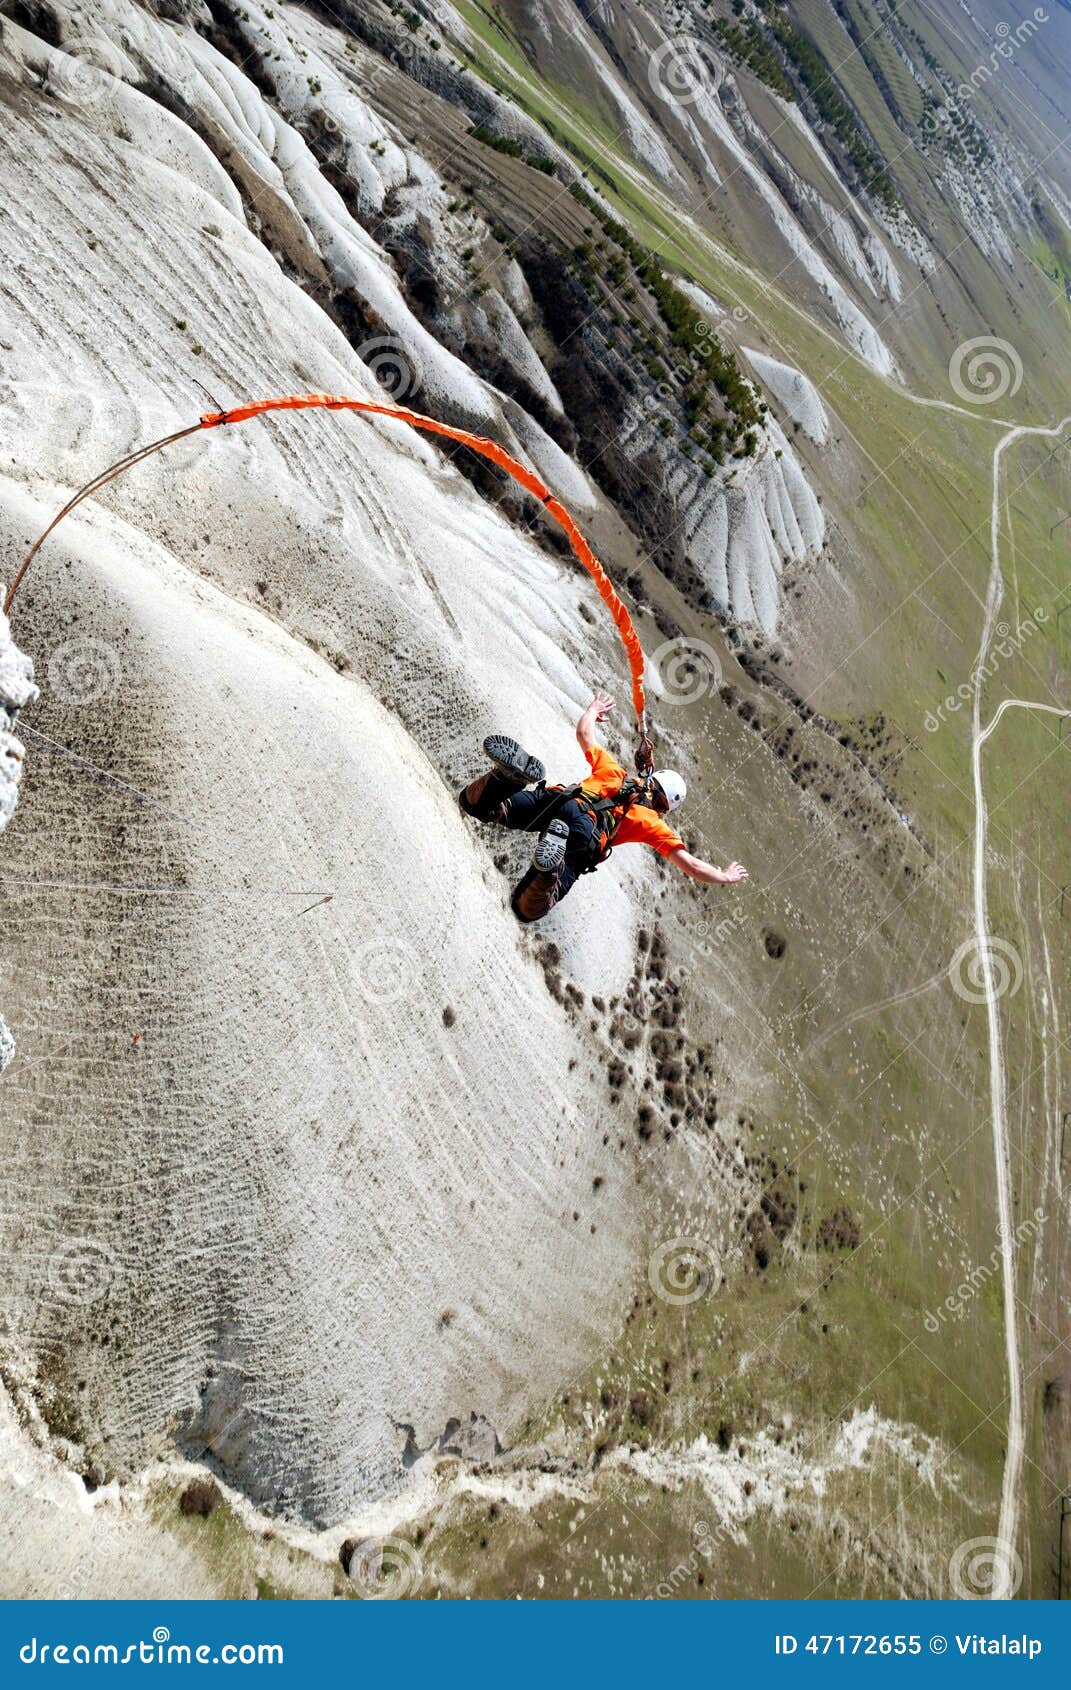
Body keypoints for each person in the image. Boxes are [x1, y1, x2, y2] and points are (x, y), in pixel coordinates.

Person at [458, 692, 748, 922]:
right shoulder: (653, 822)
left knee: (484, 809)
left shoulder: (614, 771)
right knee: (528, 908)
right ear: (665, 807)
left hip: (563, 801)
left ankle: (507, 778)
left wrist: (593, 711)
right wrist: (724, 875)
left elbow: (584, 735)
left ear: (652, 779)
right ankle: (549, 870)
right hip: (586, 836)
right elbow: (692, 866)